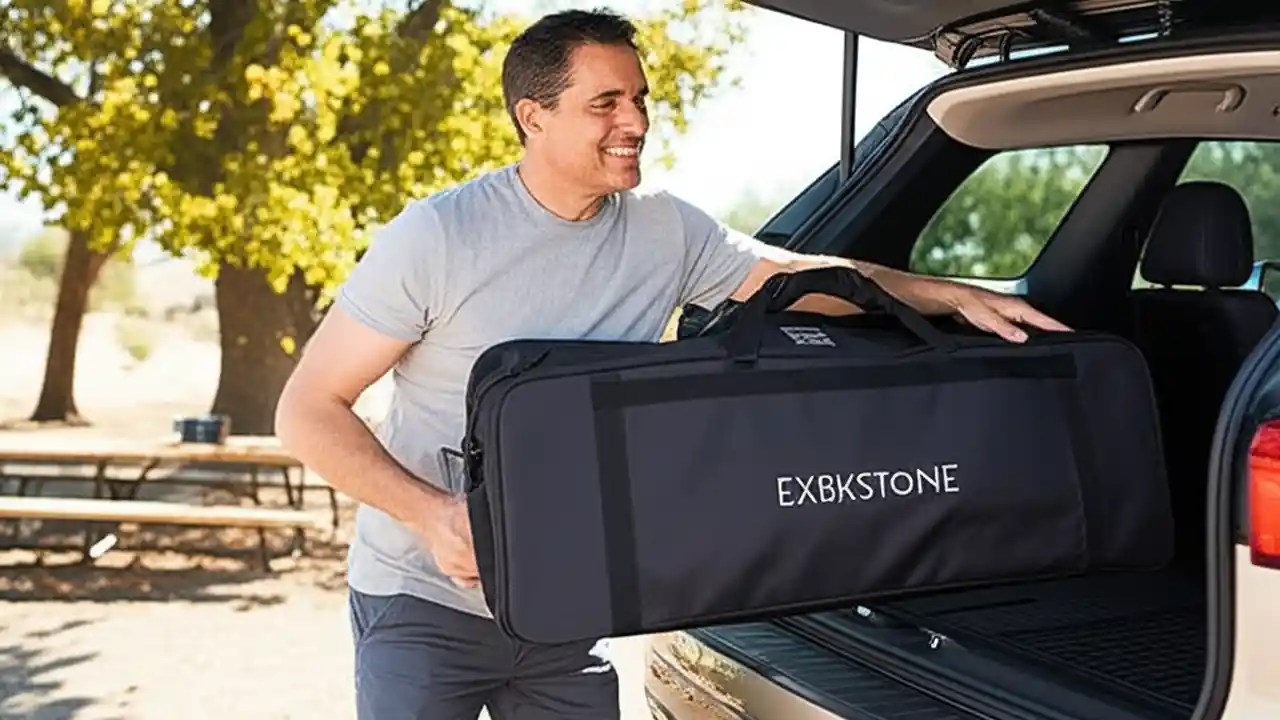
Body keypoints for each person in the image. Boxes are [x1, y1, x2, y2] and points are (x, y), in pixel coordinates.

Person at [274, 8, 1069, 719]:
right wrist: (433, 516)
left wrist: (945, 297)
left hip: (565, 608)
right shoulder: (440, 237)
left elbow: (800, 281)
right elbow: (307, 409)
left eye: (640, 98)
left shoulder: (664, 231)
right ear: (533, 117)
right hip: (424, 606)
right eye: (605, 103)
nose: (636, 121)